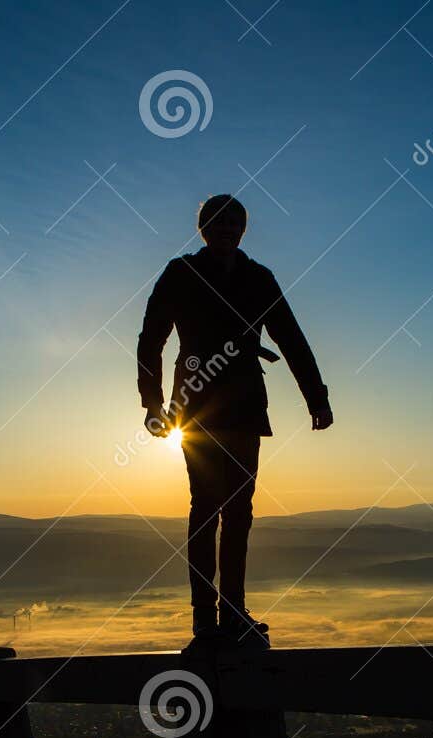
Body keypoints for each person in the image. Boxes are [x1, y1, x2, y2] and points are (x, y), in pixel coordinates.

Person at [136, 194, 333, 641]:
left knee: (238, 512)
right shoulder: (180, 273)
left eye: (235, 222)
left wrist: (316, 398)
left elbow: (291, 337)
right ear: (203, 228)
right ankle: (206, 618)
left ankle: (233, 613)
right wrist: (152, 403)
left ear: (243, 229)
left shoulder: (258, 277)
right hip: (196, 406)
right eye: (218, 222)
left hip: (245, 407)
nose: (227, 228)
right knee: (207, 509)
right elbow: (152, 339)